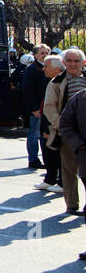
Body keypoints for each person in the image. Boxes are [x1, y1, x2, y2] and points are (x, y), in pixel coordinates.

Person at [44, 48, 86, 215]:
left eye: (76, 61)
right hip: (68, 133)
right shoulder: (56, 82)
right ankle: (72, 204)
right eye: (69, 61)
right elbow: (49, 108)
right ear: (64, 63)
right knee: (69, 170)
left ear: (83, 63)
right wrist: (63, 126)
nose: (73, 64)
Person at [36, 55, 65, 193]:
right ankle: (50, 179)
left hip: (55, 125)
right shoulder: (53, 81)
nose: (43, 69)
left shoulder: (63, 81)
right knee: (48, 154)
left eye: (47, 66)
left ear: (57, 68)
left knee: (58, 155)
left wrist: (52, 126)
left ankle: (61, 182)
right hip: (47, 122)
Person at [22, 45, 51, 169]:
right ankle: (33, 160)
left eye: (46, 52)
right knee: (34, 134)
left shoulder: (50, 67)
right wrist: (34, 109)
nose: (44, 55)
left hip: (48, 107)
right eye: (41, 53)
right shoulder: (32, 69)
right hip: (37, 109)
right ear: (35, 55)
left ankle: (48, 161)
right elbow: (27, 90)